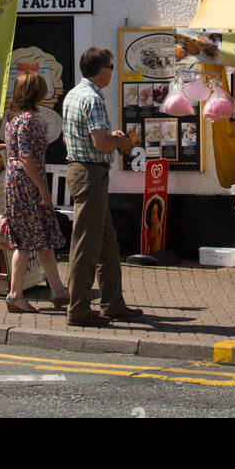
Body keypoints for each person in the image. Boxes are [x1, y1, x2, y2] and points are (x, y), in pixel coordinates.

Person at [61, 47, 143, 327]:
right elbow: (101, 144)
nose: (112, 71)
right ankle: (79, 308)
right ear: (102, 70)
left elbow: (70, 138)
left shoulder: (73, 94)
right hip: (91, 175)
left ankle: (113, 303)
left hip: (82, 171)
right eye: (110, 66)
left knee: (107, 243)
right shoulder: (93, 99)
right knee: (85, 244)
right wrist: (119, 142)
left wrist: (111, 137)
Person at [1, 72, 70, 313]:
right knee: (27, 240)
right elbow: (26, 157)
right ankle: (15, 295)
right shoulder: (28, 120)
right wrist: (42, 187)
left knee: (41, 237)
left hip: (15, 183)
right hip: (27, 185)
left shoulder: (13, 119)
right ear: (35, 93)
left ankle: (58, 289)